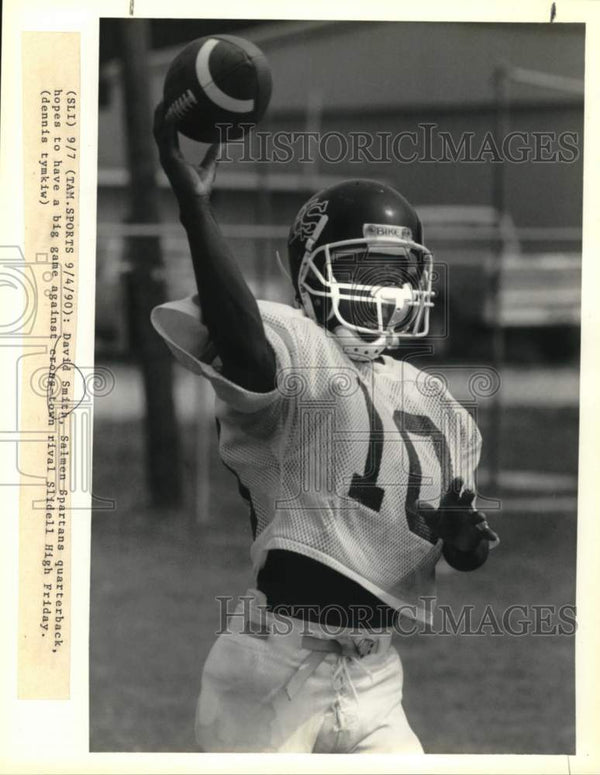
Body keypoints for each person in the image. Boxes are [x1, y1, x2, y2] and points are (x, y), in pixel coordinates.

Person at [150, 103, 499, 754]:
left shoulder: (440, 403)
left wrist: (463, 544)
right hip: (273, 664)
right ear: (312, 270)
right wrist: (197, 208)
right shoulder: (297, 345)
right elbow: (245, 343)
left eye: (395, 275)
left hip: (376, 675)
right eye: (360, 271)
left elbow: (457, 553)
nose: (381, 291)